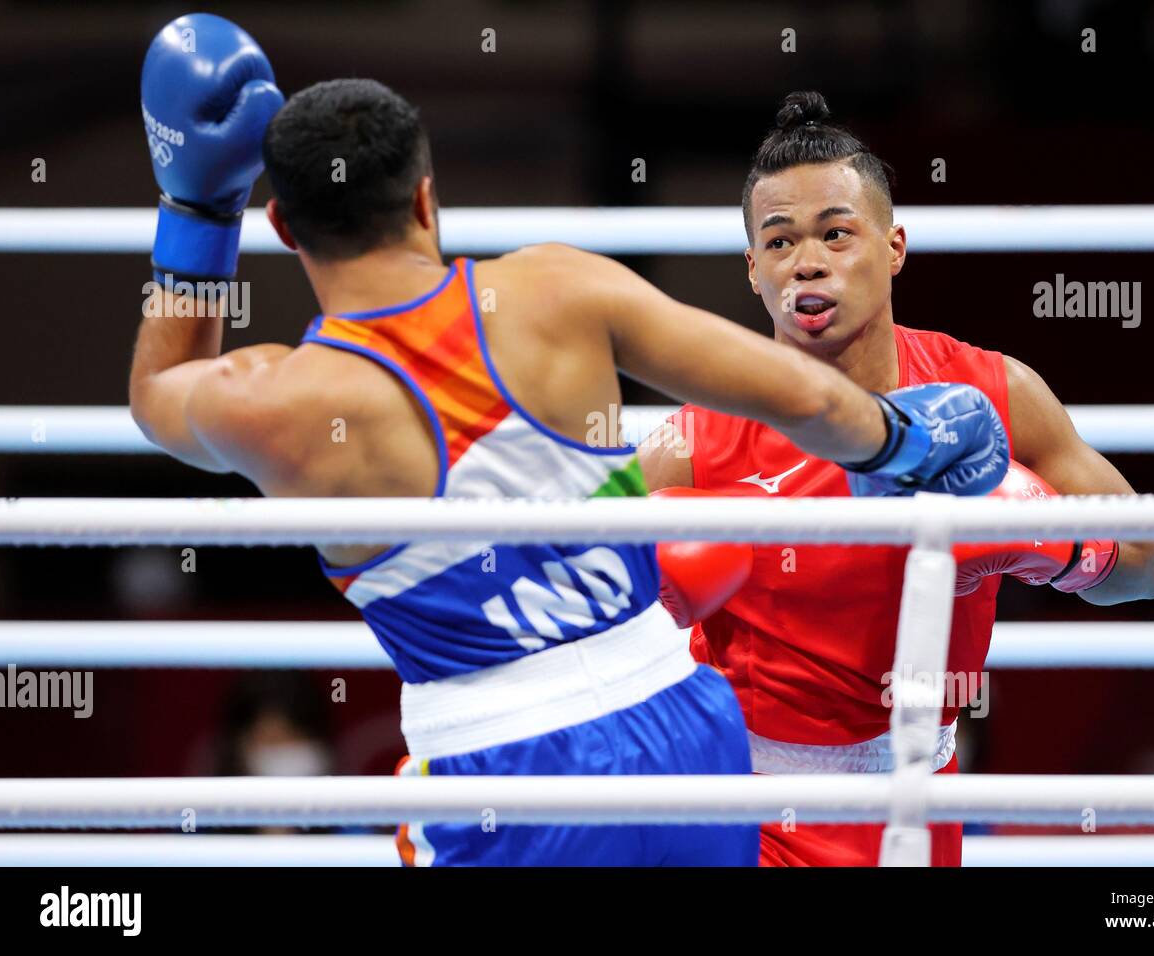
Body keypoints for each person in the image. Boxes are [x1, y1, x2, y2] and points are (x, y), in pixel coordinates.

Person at [129, 18, 1008, 866]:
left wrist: (199, 207)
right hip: (685, 729)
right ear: (428, 200)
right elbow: (796, 392)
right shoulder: (561, 290)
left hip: (505, 772)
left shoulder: (274, 402)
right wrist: (902, 439)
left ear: (282, 230)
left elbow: (158, 394)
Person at [641, 91, 1154, 867]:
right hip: (739, 805)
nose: (809, 261)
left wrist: (1056, 544)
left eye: (835, 233)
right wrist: (651, 597)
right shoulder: (698, 434)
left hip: (922, 798)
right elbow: (563, 568)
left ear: (894, 247)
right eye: (781, 242)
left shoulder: (997, 393)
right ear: (754, 270)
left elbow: (1150, 569)